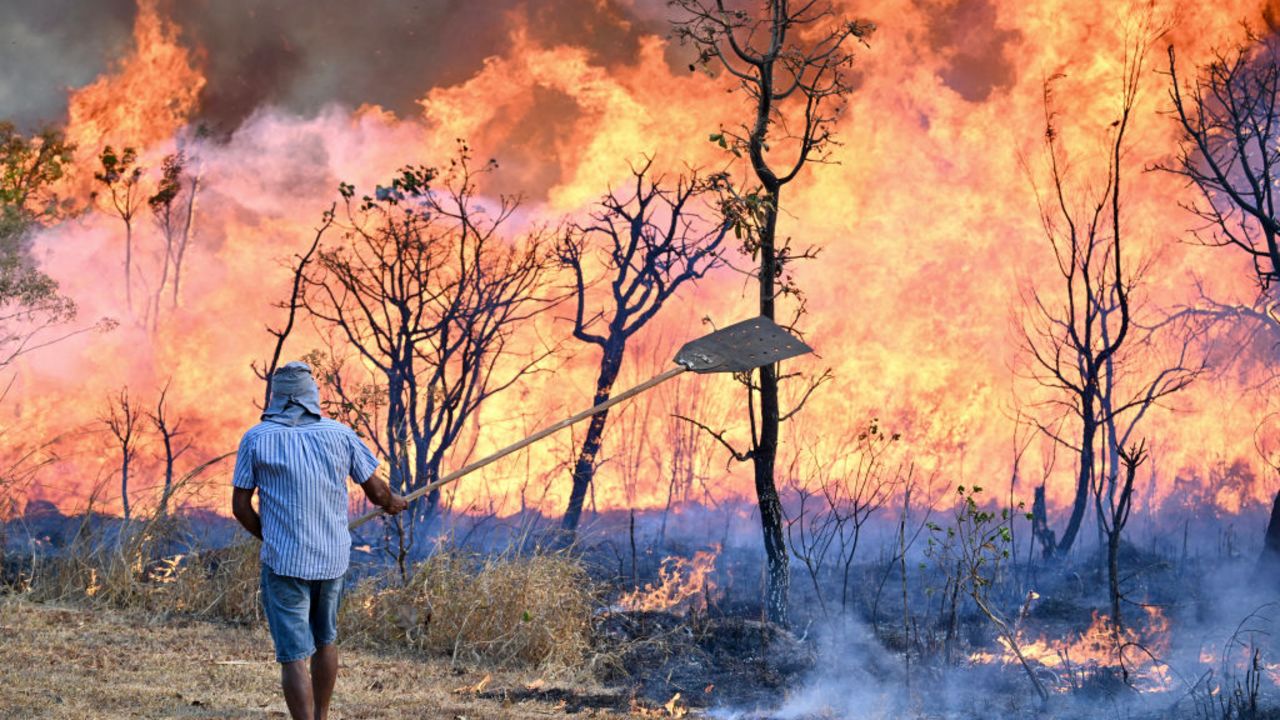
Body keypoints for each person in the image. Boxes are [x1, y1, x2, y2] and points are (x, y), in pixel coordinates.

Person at [231, 361, 407, 720]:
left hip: (285, 561)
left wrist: (272, 536)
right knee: (325, 639)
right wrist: (393, 502)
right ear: (313, 395)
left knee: (294, 653)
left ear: (275, 397)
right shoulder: (340, 434)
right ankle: (321, 716)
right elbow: (377, 492)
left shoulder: (256, 438)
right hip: (331, 559)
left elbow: (240, 507)